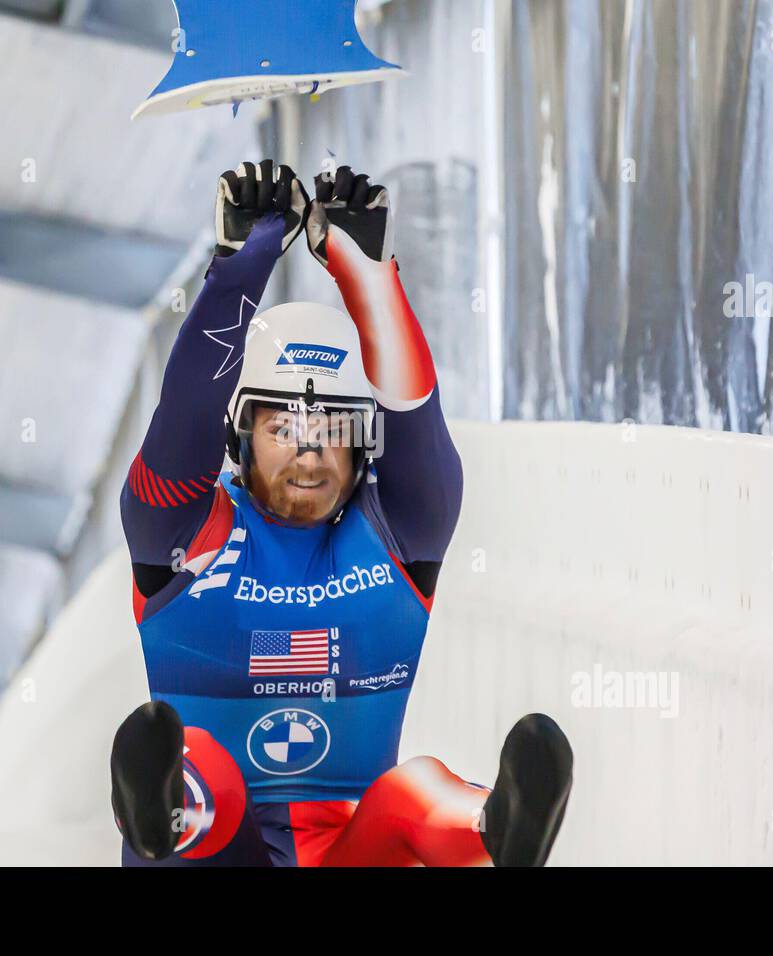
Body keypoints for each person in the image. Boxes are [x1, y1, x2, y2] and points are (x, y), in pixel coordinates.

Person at [112, 159, 572, 866]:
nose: (310, 453)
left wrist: (367, 275)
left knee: (410, 788)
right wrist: (242, 266)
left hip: (354, 852)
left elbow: (417, 419)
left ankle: (496, 827)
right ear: (238, 437)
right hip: (218, 844)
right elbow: (183, 420)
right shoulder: (179, 533)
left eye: (334, 429)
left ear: (365, 450)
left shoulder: (399, 532)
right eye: (286, 428)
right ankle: (166, 813)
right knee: (200, 759)